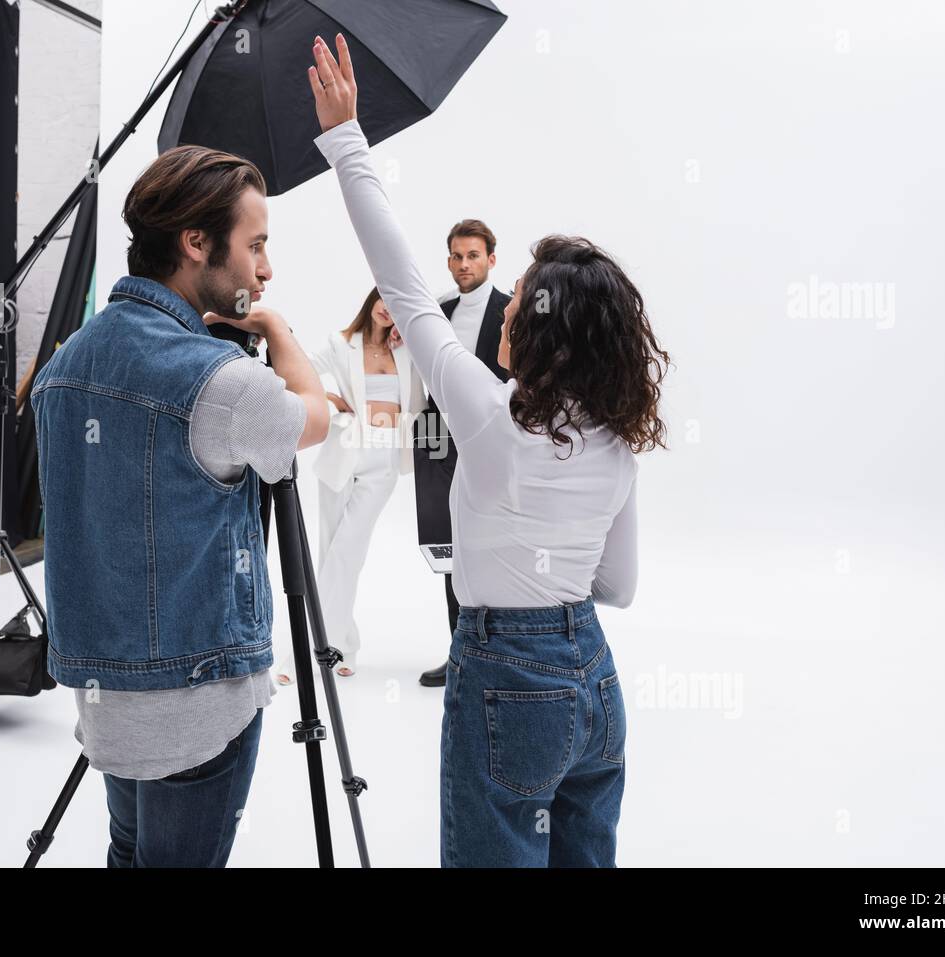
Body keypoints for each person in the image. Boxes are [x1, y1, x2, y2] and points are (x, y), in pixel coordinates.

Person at [307, 34, 670, 867]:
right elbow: (616, 587)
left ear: (535, 331)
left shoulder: (490, 412)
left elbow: (400, 282)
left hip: (507, 675)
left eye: (515, 309)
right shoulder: (617, 436)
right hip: (596, 683)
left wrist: (345, 138)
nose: (500, 314)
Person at [30, 143, 330, 867]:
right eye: (255, 245)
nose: (265, 269)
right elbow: (312, 418)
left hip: (106, 703)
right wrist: (278, 330)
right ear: (197, 242)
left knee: (128, 853)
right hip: (196, 710)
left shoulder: (63, 366)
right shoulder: (222, 381)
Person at [274, 289, 427, 683]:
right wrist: (326, 396)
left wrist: (413, 335)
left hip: (386, 455)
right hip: (345, 451)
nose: (386, 308)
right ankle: (343, 645)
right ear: (371, 300)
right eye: (382, 299)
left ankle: (311, 652)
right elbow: (293, 369)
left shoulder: (408, 351)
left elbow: (429, 393)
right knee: (330, 552)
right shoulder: (340, 344)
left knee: (348, 552)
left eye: (396, 305)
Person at [414, 220, 511, 688]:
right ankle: (460, 656)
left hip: (492, 442)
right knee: (448, 547)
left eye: (472, 255)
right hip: (439, 443)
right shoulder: (438, 309)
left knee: (494, 545)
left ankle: (501, 655)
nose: (463, 264)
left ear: (491, 259)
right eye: (456, 255)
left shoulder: (513, 310)